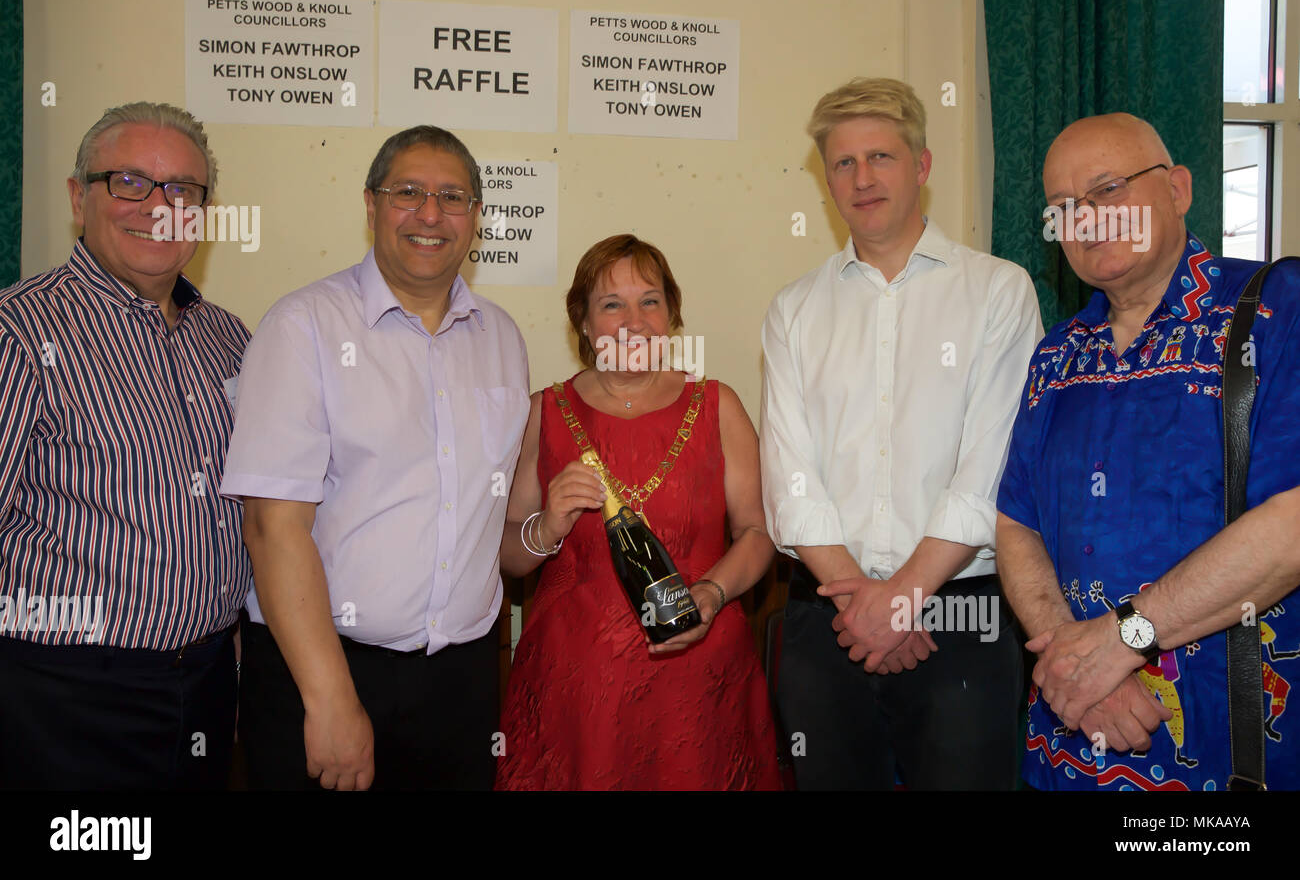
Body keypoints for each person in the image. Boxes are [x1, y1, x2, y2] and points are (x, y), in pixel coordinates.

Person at [997, 112, 1300, 790]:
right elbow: (1016, 520)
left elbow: (1292, 526)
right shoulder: (1056, 355)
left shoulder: (1278, 310)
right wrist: (1073, 659)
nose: (1088, 219)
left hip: (1231, 753)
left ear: (1179, 189)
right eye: (1065, 207)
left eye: (1107, 189)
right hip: (1073, 733)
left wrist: (1121, 640)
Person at [220, 125, 529, 790]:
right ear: (370, 205)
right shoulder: (303, 326)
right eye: (408, 192)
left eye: (452, 197)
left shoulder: (501, 337)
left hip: (462, 684)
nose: (429, 214)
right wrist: (331, 699)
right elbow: (272, 529)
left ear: (476, 217)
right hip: (324, 671)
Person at [759, 77, 1043, 789]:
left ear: (921, 166)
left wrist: (904, 597)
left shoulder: (999, 291)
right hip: (826, 617)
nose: (862, 178)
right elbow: (792, 481)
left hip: (962, 617)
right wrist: (865, 602)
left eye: (880, 157)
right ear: (826, 181)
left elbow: (990, 468)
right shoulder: (793, 310)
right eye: (843, 164)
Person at [0, 102, 248, 789]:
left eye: (183, 190)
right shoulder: (17, 332)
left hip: (203, 685)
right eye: (130, 182)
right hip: (64, 699)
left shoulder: (230, 339)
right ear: (81, 197)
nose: (159, 207)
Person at [495, 234, 782, 790]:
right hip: (575, 686)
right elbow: (509, 558)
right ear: (582, 321)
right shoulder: (544, 412)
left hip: (697, 673)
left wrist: (712, 594)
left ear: (672, 313)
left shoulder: (717, 405)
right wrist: (548, 525)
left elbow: (757, 532)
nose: (634, 319)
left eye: (650, 300)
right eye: (611, 304)